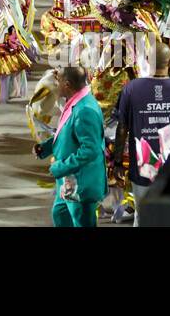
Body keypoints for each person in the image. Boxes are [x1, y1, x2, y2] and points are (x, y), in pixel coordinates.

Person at [113, 43, 170, 210]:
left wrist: (118, 161)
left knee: (143, 217)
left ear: (148, 61)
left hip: (143, 171)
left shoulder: (131, 89)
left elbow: (122, 128)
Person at [34, 66, 106, 228]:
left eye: (57, 80)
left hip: (80, 182)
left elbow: (90, 150)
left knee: (81, 221)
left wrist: (60, 167)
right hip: (68, 181)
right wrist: (46, 148)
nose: (54, 84)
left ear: (67, 84)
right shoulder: (76, 102)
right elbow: (68, 133)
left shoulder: (85, 110)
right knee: (60, 214)